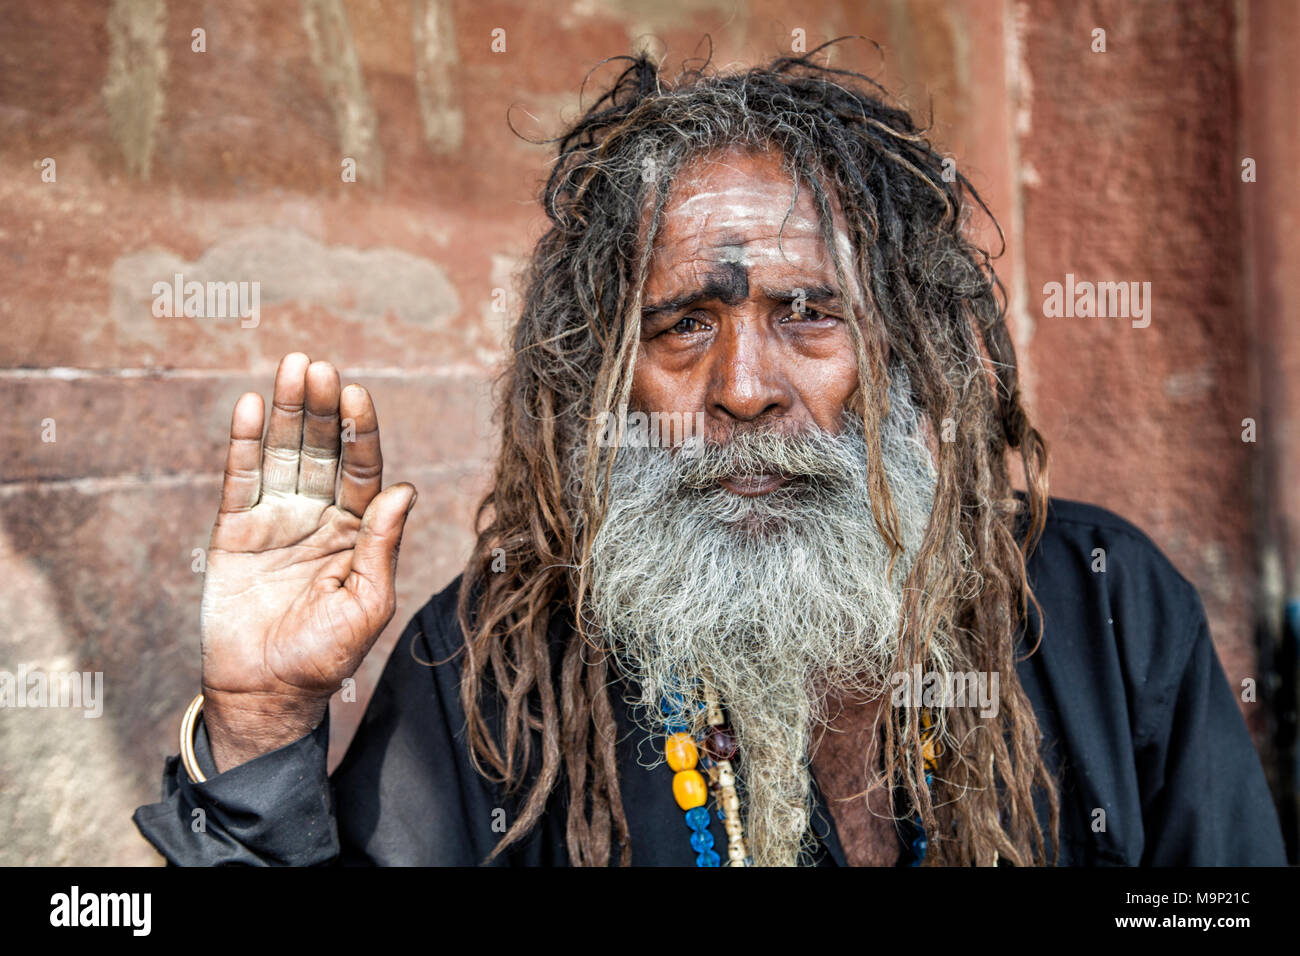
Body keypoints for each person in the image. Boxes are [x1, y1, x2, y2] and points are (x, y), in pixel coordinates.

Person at [132, 50, 1286, 867]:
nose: (743, 386)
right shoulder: (491, 666)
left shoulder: (1099, 601)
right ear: (606, 371)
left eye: (809, 313)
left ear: (913, 348)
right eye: (685, 321)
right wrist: (262, 724)